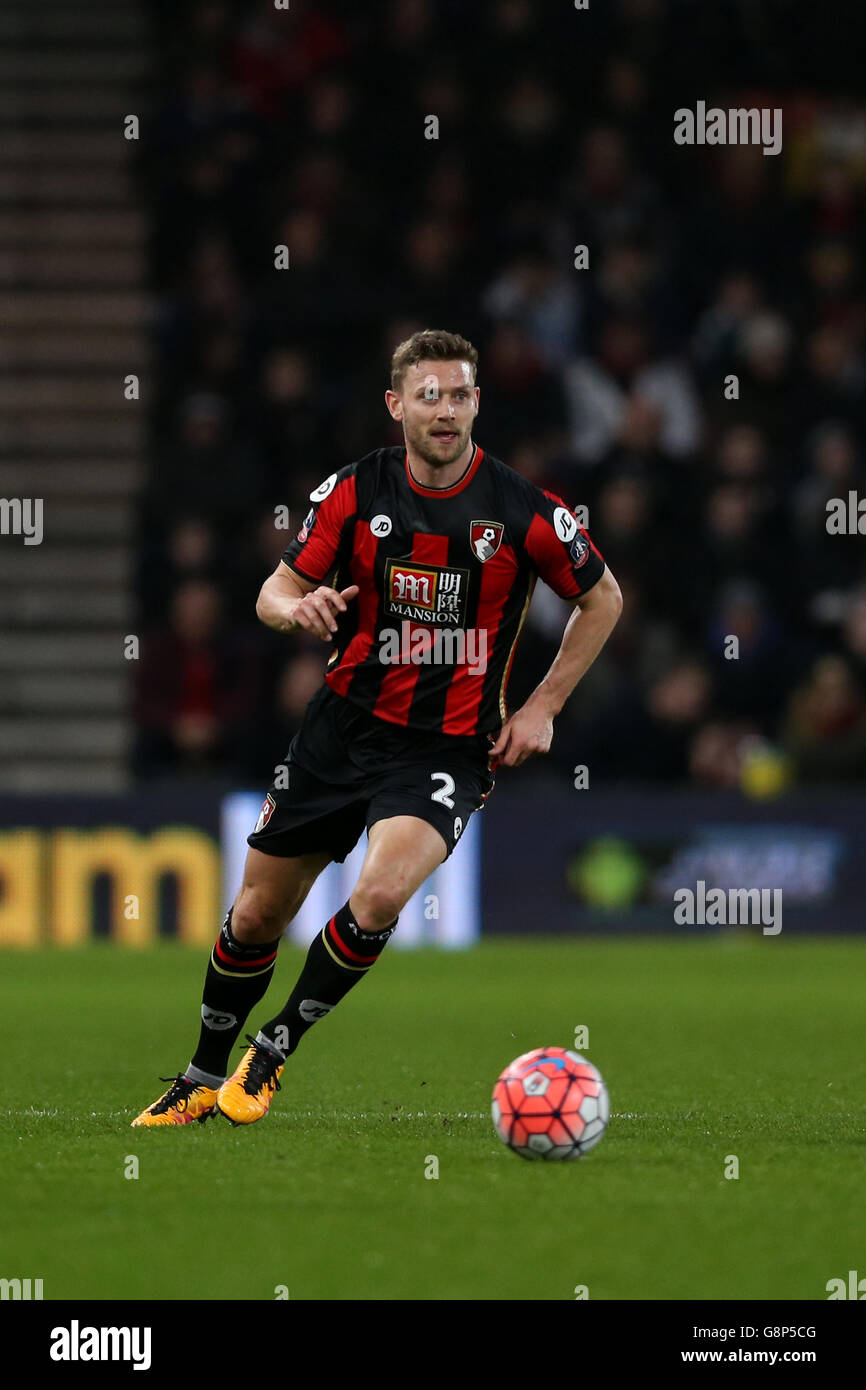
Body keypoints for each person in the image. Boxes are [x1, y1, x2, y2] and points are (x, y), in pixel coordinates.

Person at [132, 329, 622, 1128]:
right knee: (257, 915)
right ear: (396, 405)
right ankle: (197, 1078)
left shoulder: (522, 509)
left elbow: (604, 599)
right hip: (341, 729)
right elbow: (272, 591)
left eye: (460, 394)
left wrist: (543, 706)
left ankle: (275, 1049)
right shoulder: (357, 492)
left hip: (448, 746)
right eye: (428, 395)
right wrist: (300, 608)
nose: (445, 410)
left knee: (383, 891)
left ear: (475, 404)